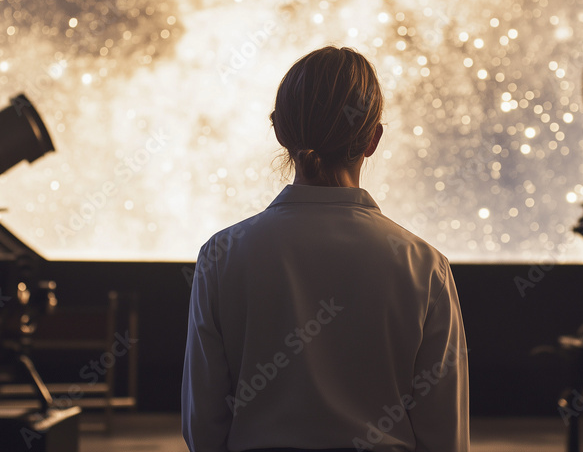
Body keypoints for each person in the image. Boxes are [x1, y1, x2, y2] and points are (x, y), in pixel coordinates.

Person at [182, 46, 469, 452]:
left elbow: (203, 430)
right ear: (373, 138)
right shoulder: (424, 265)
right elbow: (445, 438)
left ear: (279, 130)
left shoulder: (221, 256)